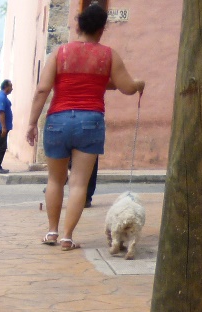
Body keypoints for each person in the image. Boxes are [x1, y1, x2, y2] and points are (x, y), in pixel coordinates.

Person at [26, 2, 145, 250]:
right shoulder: (108, 55)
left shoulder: (60, 53)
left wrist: (31, 123)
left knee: (55, 180)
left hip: (58, 120)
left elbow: (42, 89)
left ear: (78, 26)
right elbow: (125, 87)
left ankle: (51, 232)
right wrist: (138, 84)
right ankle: (68, 237)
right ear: (101, 29)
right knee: (79, 183)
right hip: (90, 121)